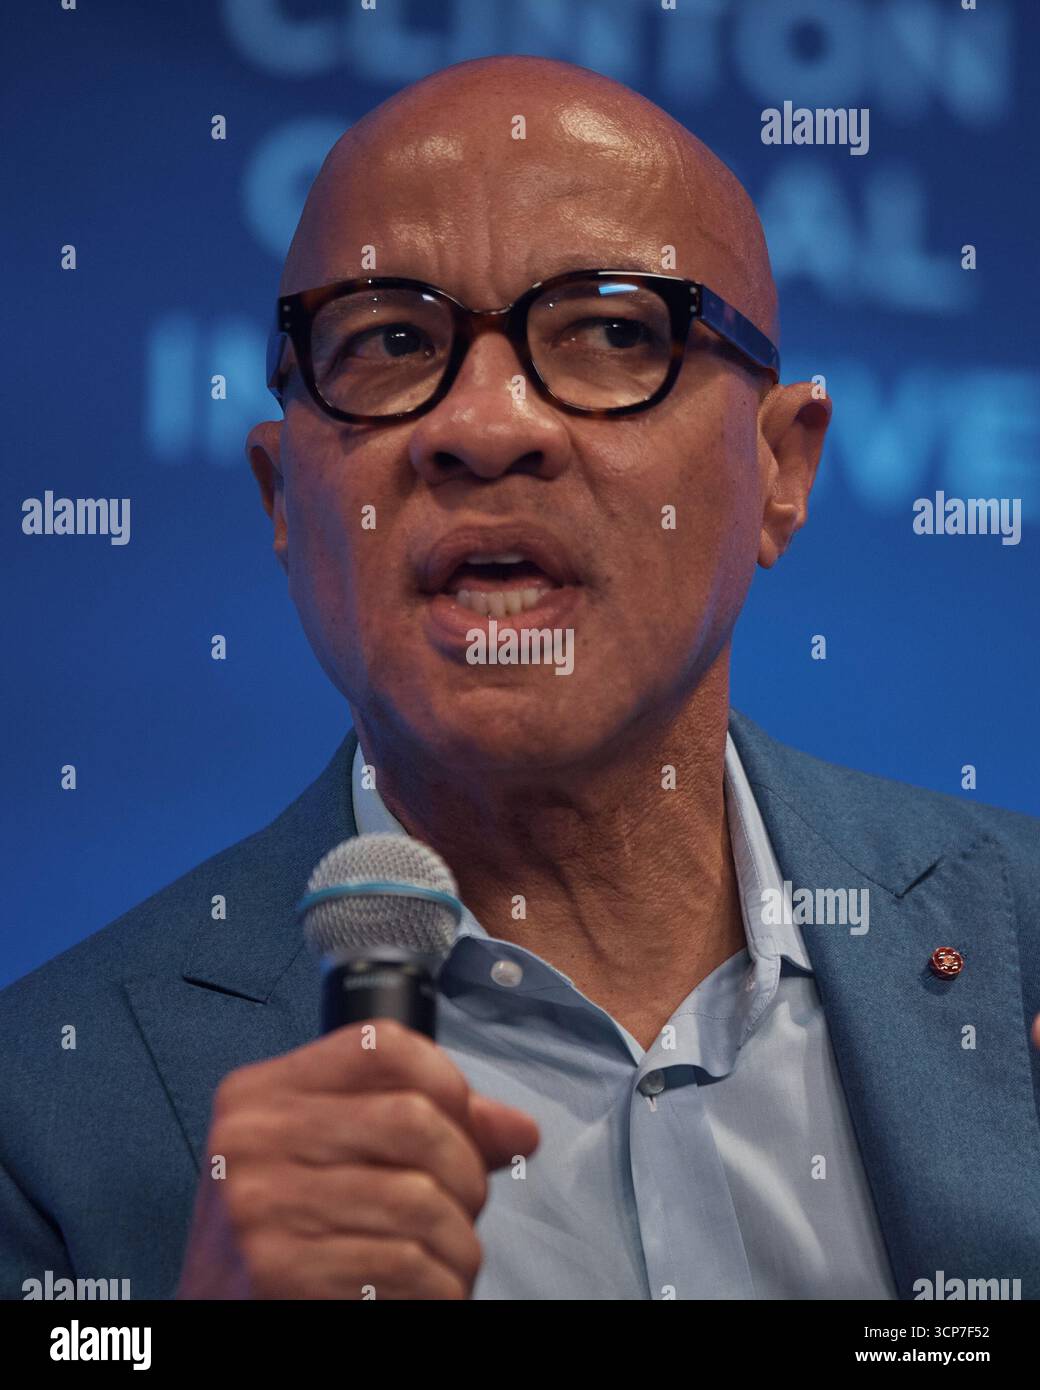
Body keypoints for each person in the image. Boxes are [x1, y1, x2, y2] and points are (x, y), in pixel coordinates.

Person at [2, 55, 1038, 1303]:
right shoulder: (42, 1118)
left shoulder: (1018, 945)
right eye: (389, 340)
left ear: (780, 469)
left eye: (607, 332)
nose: (486, 426)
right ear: (284, 502)